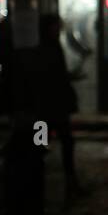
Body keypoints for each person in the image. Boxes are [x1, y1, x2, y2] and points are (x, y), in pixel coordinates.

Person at [39, 14, 81, 198]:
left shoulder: (50, 46)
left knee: (63, 141)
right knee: (43, 143)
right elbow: (54, 76)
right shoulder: (48, 48)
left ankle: (68, 182)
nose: (58, 29)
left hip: (52, 106)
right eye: (56, 26)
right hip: (49, 105)